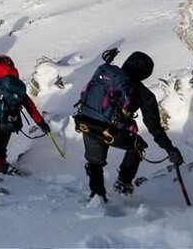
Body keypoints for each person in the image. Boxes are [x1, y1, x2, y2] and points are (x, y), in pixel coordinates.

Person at [73, 47, 183, 201]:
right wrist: (170, 149)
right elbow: (154, 127)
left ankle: (97, 197)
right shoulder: (143, 93)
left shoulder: (106, 74)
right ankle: (123, 184)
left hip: (86, 122)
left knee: (94, 163)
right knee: (138, 146)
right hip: (110, 130)